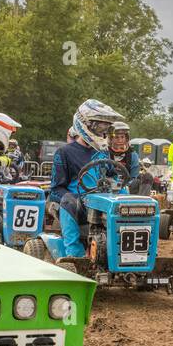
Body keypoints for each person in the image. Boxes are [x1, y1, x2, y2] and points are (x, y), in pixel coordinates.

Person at [50, 99, 123, 260]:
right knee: (68, 200)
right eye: (99, 127)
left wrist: (117, 184)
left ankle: (133, 252)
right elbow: (56, 190)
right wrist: (74, 198)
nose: (102, 133)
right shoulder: (64, 152)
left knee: (126, 194)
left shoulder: (103, 152)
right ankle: (75, 254)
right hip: (79, 205)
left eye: (106, 128)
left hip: (103, 200)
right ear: (84, 124)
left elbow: (112, 176)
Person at [108, 121, 141, 187]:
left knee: (146, 177)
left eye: (122, 137)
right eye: (116, 137)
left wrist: (125, 186)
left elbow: (134, 176)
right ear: (111, 139)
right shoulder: (105, 153)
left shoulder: (133, 155)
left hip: (127, 187)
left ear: (126, 139)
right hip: (108, 187)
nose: (120, 141)